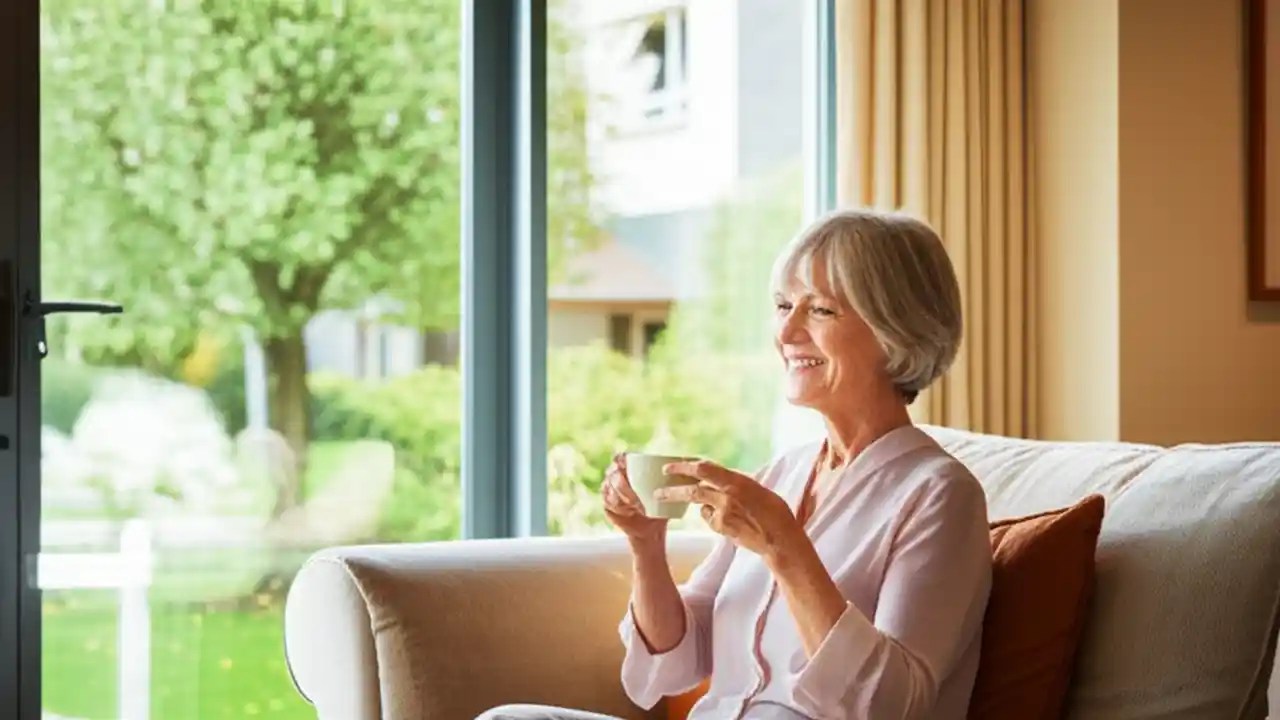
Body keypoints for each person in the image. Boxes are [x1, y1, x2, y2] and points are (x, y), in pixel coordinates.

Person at [477, 209, 993, 720]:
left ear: (897, 329)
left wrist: (785, 546)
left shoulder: (939, 495)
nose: (787, 331)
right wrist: (646, 544)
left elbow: (890, 707)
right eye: (784, 305)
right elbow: (675, 664)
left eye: (820, 310)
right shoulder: (782, 476)